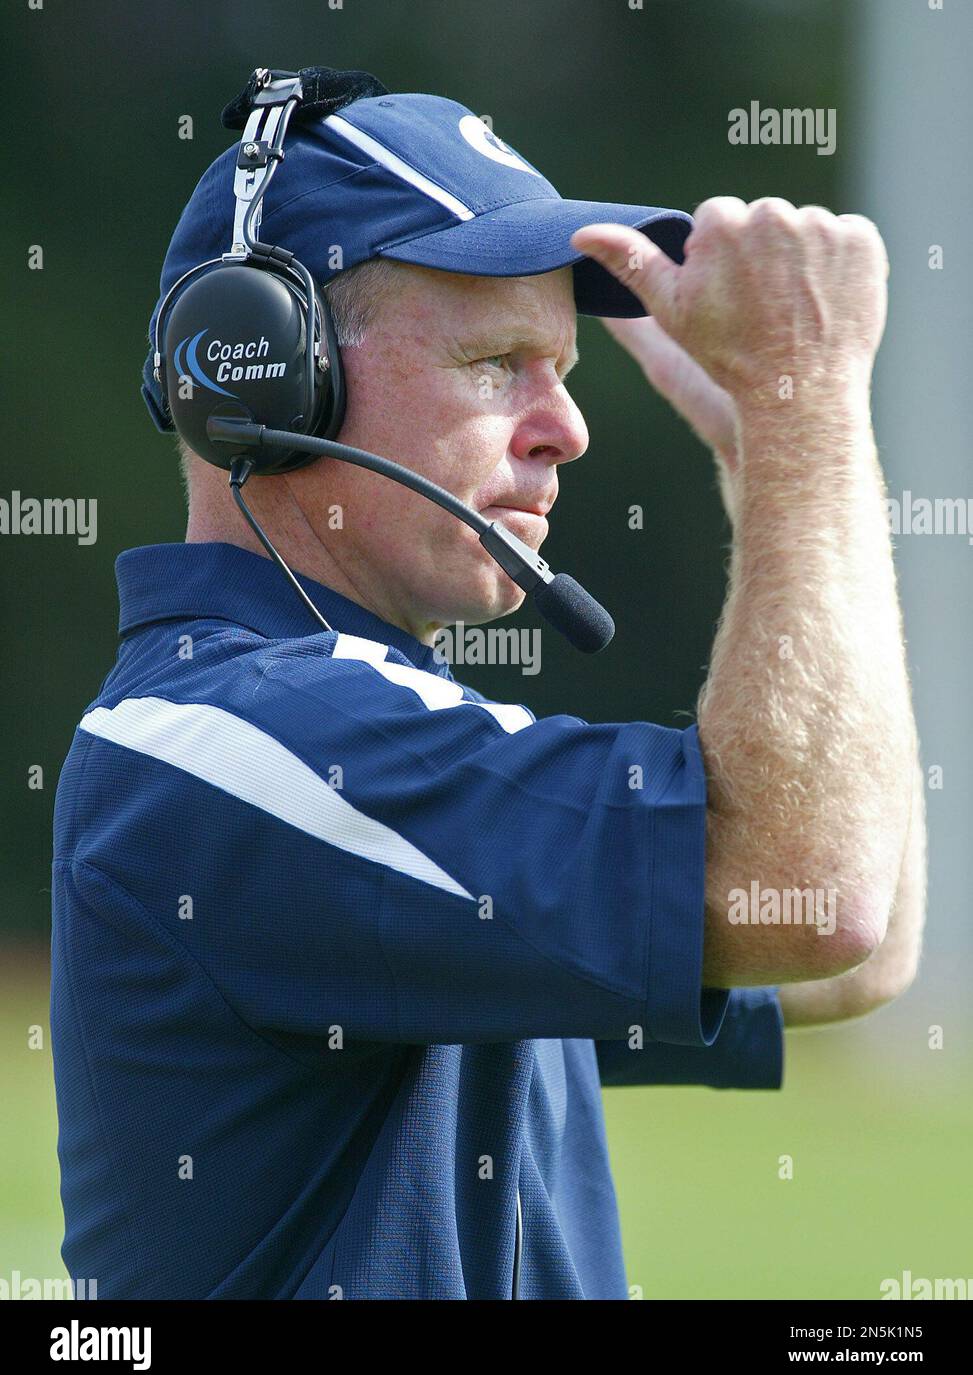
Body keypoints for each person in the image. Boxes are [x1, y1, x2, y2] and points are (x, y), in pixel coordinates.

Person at [50, 66, 925, 1300]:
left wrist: (779, 466)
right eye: (497, 361)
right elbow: (811, 890)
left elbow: (854, 948)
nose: (564, 427)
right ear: (262, 374)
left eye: (562, 367)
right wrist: (808, 412)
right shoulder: (240, 748)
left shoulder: (364, 737)